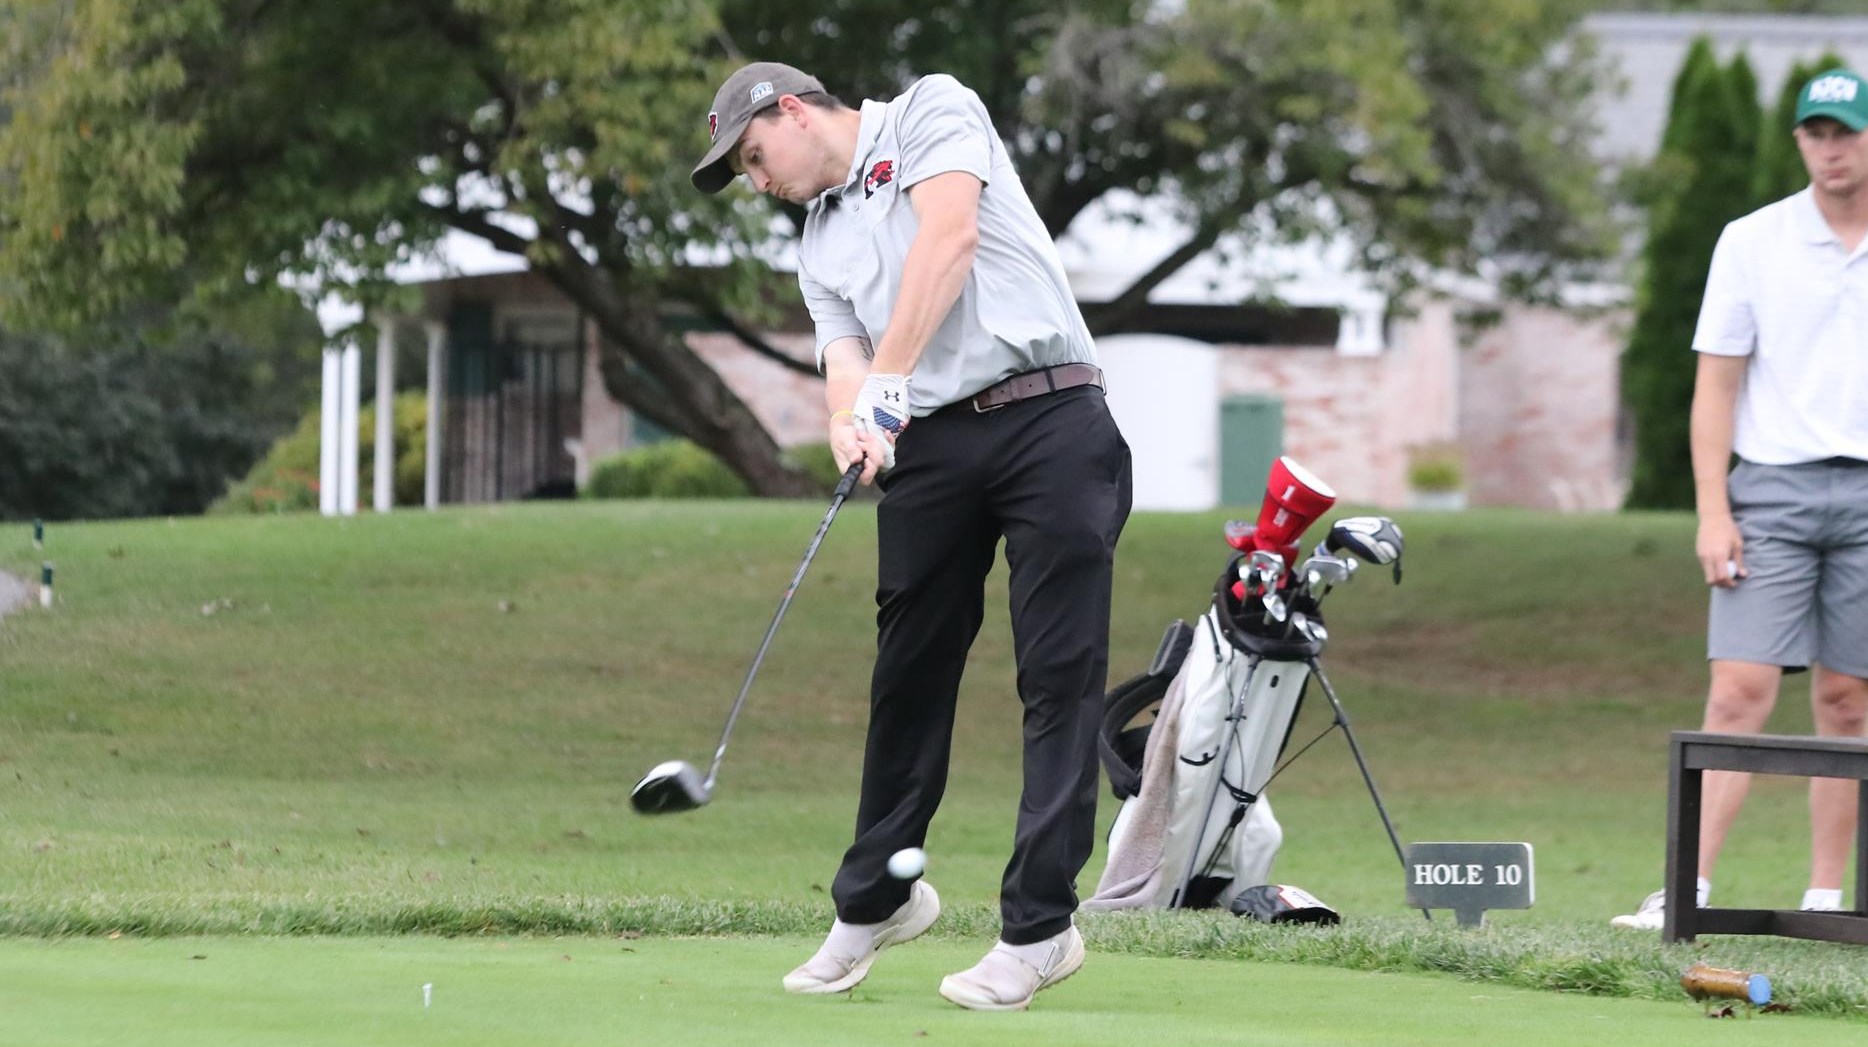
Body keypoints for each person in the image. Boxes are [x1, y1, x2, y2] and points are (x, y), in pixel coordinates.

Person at [690, 62, 1133, 1008]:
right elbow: (844, 356)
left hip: (1051, 417)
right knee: (908, 673)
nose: (757, 182)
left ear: (793, 111)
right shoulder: (817, 241)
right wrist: (850, 419)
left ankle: (1040, 928)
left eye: (755, 157)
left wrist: (887, 378)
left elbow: (949, 237)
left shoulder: (931, 109)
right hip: (932, 443)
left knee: (1057, 674)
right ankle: (879, 897)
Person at [1612, 68, 1868, 931]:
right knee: (1737, 691)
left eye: (1846, 132)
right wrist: (1713, 511)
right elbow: (1715, 385)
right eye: (1816, 133)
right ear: (1798, 140)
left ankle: (1828, 898)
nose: (1831, 149)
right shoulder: (1753, 240)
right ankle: (1687, 888)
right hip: (1772, 491)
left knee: (1850, 700)